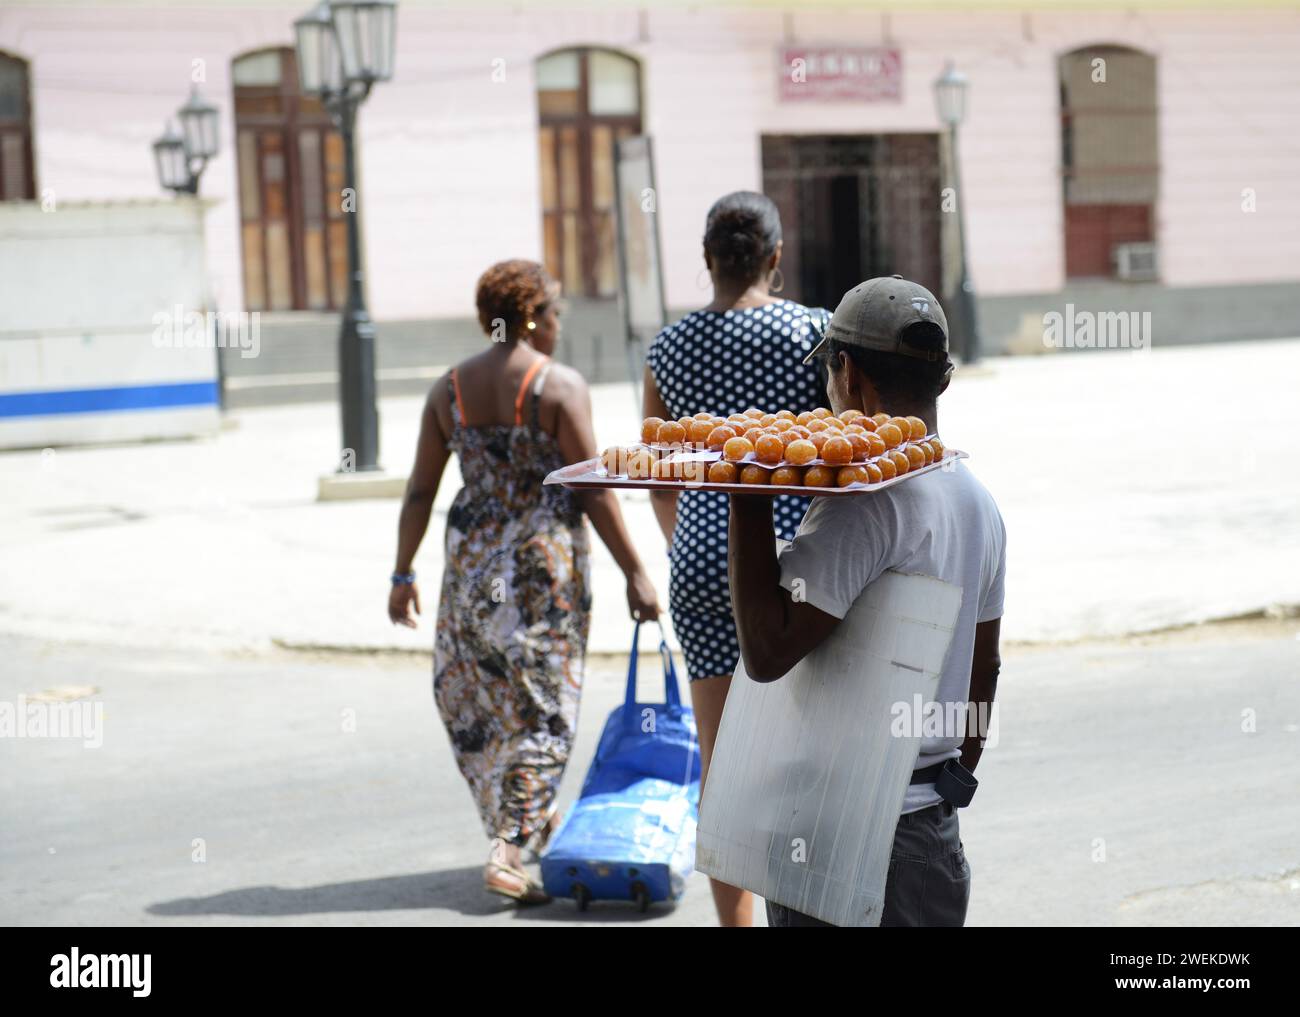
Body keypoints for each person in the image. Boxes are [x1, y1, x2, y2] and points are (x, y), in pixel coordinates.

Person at [726, 275, 1006, 927]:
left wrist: (743, 493)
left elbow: (766, 653)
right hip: (929, 838)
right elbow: (984, 668)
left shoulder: (866, 505)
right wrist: (952, 774)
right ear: (944, 379)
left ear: (848, 375)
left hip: (841, 836)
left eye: (829, 369)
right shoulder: (976, 499)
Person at [389, 259, 660, 905]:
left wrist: (402, 572)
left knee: (481, 697)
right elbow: (594, 490)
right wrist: (637, 571)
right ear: (534, 315)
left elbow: (420, 490)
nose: (561, 323)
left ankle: (534, 820)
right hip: (543, 574)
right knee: (543, 707)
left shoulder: (447, 390)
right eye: (557, 310)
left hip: (471, 571)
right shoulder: (558, 388)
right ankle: (509, 849)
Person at [643, 191, 830, 927]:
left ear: (706, 261)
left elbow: (659, 472)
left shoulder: (668, 347)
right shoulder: (811, 332)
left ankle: (737, 924)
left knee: (722, 765)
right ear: (776, 258)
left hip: (698, 563)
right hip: (797, 566)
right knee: (804, 758)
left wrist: (687, 541)